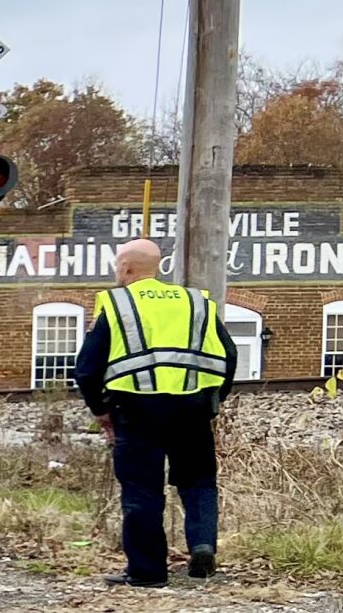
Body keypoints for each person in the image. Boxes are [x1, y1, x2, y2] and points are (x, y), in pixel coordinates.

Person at [75, 238, 237, 588]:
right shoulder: (195, 302)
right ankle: (203, 546)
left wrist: (100, 411)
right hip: (192, 407)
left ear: (126, 268)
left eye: (118, 266)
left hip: (135, 410)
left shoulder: (117, 304)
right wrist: (213, 400)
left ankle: (147, 572)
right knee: (198, 481)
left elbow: (87, 368)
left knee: (142, 490)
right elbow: (228, 355)